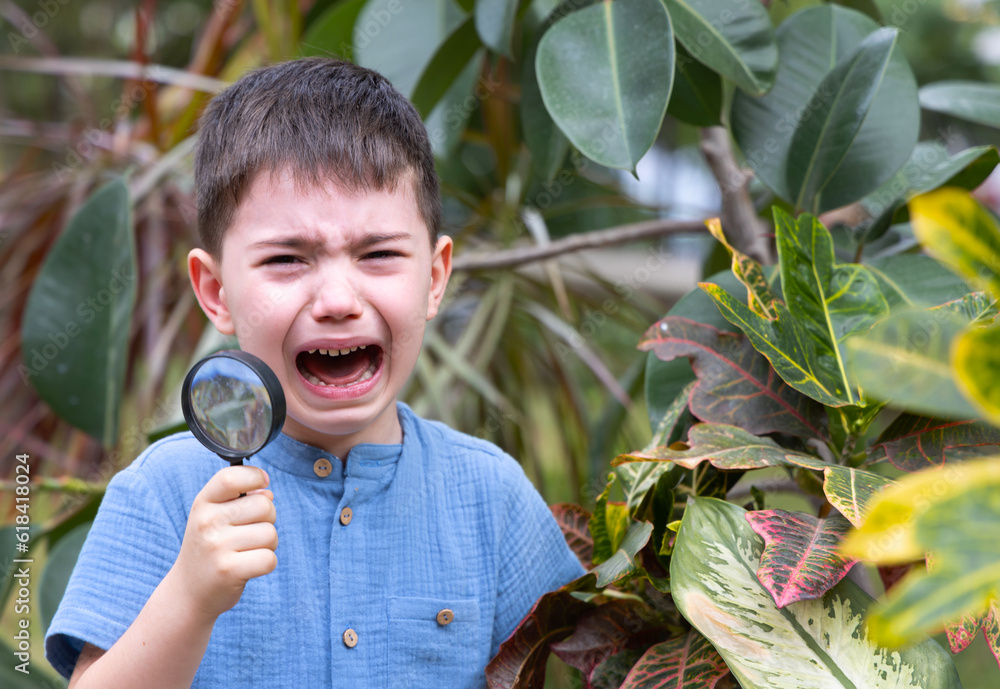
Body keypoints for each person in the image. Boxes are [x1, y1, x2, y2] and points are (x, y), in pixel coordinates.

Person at [44, 57, 585, 688]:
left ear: (435, 278)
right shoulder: (163, 493)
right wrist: (189, 598)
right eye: (287, 259)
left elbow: (594, 659)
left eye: (378, 254)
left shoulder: (489, 498)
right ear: (216, 291)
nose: (336, 299)